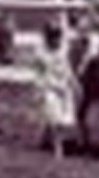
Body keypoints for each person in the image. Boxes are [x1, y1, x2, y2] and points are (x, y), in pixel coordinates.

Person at [33, 22, 78, 155]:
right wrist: (40, 89)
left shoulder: (63, 50)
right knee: (54, 115)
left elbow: (67, 67)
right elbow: (39, 72)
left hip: (63, 85)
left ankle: (47, 139)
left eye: (58, 37)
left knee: (65, 117)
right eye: (53, 37)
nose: (56, 40)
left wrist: (74, 82)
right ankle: (58, 146)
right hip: (49, 85)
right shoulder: (40, 52)